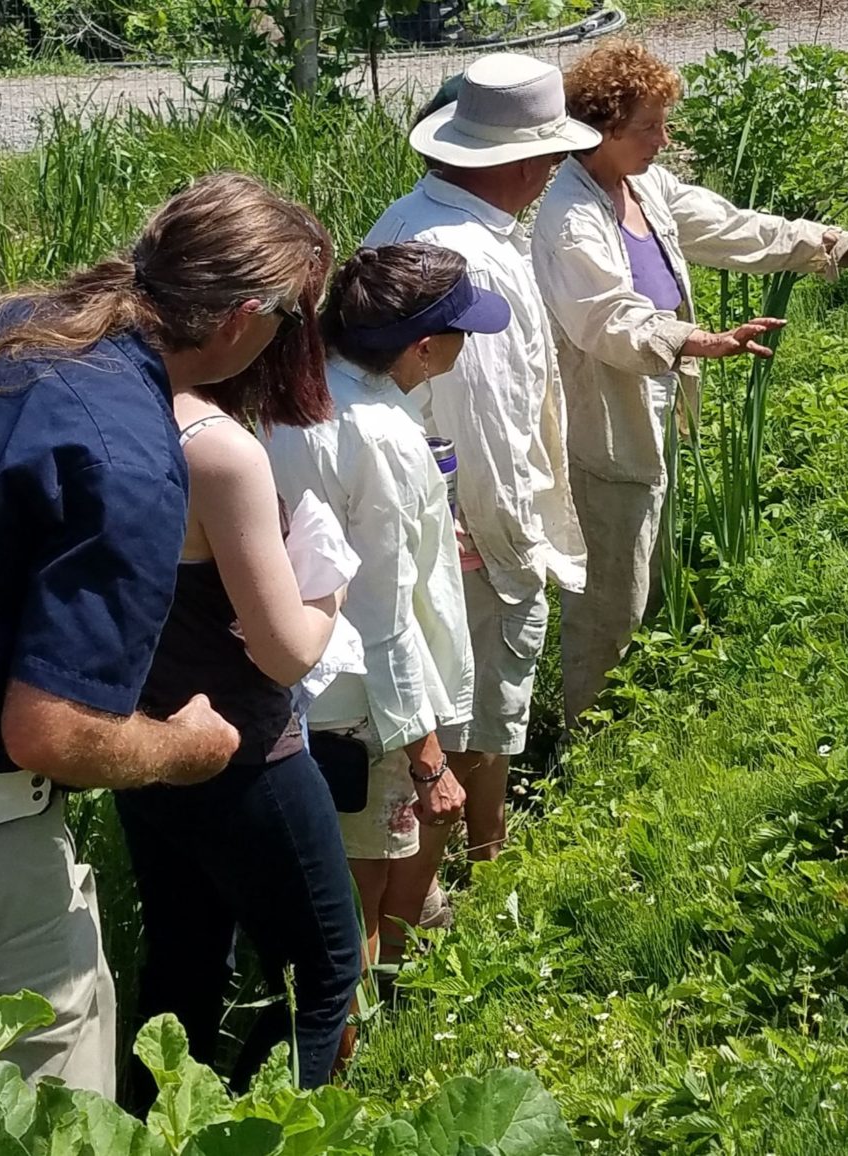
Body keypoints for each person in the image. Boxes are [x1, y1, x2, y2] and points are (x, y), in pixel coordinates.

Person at [0, 170, 326, 1096]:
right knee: (51, 1118)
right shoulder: (128, 447)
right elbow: (49, 732)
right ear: (245, 318)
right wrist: (179, 747)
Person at [533, 41, 848, 725]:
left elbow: (731, 229)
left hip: (655, 396)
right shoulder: (569, 217)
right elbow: (605, 319)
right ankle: (587, 742)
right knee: (610, 593)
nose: (665, 139)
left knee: (646, 563)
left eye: (664, 123)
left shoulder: (643, 187)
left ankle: (627, 718)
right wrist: (693, 340)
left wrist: (834, 241)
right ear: (601, 131)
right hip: (603, 417)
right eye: (650, 128)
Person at [112, 187, 366, 1101]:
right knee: (326, 969)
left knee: (181, 967)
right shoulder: (216, 448)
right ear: (243, 315)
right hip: (247, 751)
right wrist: (329, 584)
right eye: (295, 312)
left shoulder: (112, 407)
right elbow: (285, 652)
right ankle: (265, 1131)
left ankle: (149, 1120)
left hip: (142, 739)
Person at [363, 54, 601, 872]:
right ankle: (474, 872)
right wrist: (513, 553)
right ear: (528, 162)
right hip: (470, 536)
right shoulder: (474, 258)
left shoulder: (407, 218)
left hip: (417, 513)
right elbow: (490, 428)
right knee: (472, 712)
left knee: (425, 706)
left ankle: (424, 882)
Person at [265, 242, 511, 972]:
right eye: (463, 330)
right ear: (426, 348)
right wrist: (429, 760)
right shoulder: (385, 436)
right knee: (355, 910)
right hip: (368, 713)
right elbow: (384, 613)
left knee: (332, 890)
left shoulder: (294, 398)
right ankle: (354, 1058)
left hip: (302, 686)